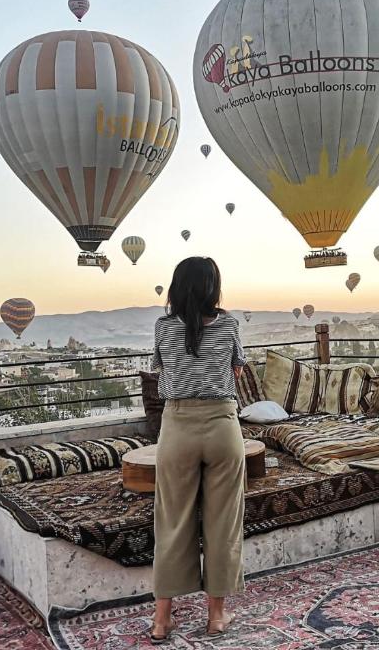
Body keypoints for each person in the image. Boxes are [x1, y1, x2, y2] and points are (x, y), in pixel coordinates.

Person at [149, 256, 246, 643]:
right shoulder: (230, 324)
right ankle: (217, 617)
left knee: (172, 523)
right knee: (223, 525)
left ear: (175, 287)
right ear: (213, 288)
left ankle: (162, 621)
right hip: (222, 426)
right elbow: (236, 370)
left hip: (177, 427)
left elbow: (160, 369)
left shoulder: (162, 327)